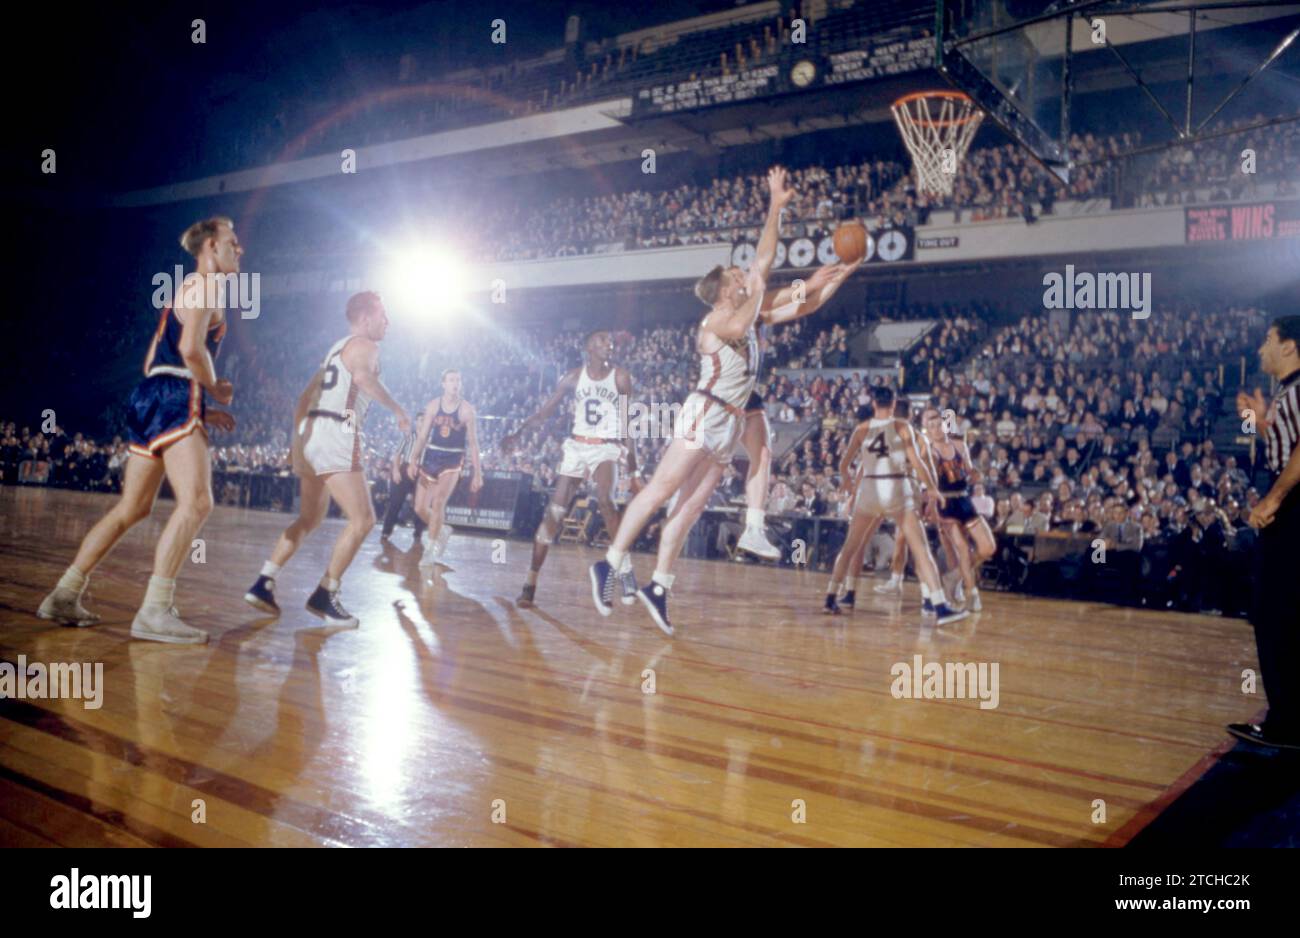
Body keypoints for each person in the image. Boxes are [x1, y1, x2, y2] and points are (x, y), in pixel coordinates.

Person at [589, 167, 796, 635]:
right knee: (661, 490)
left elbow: (765, 256)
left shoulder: (743, 302)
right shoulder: (714, 321)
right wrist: (757, 285)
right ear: (726, 289)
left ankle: (659, 586)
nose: (746, 273)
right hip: (702, 414)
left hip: (728, 424)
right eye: (738, 275)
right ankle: (609, 562)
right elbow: (741, 325)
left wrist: (775, 207)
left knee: (692, 506)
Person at [38, 216, 242, 644]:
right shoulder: (209, 287)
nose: (239, 250)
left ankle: (65, 592)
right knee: (198, 502)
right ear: (209, 247)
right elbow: (189, 350)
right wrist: (214, 389)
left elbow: (170, 354)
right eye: (231, 242)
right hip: (174, 393)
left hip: (149, 395)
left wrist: (200, 408)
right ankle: (154, 610)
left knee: (132, 508)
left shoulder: (185, 288)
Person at [243, 291, 411, 627]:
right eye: (383, 315)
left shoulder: (334, 350)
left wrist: (303, 437)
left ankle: (264, 581)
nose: (388, 322)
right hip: (335, 433)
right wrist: (398, 410)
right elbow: (363, 380)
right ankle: (326, 592)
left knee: (309, 518)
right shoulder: (366, 345)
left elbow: (305, 398)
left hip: (313, 434)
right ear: (365, 318)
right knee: (363, 520)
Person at [500, 331, 640, 607]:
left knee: (605, 499)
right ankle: (530, 582)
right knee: (554, 513)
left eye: (610, 340)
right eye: (601, 339)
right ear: (588, 346)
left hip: (606, 446)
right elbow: (544, 412)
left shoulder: (621, 377)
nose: (608, 343)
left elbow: (626, 426)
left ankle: (625, 570)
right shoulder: (573, 377)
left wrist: (633, 471)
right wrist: (518, 432)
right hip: (577, 446)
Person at [822, 386, 966, 624]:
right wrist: (932, 488)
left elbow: (844, 463)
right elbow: (918, 462)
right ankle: (939, 605)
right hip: (896, 487)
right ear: (893, 404)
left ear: (873, 404)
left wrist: (847, 481)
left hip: (869, 489)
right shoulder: (902, 426)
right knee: (921, 550)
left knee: (850, 547)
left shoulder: (861, 428)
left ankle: (830, 597)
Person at [1229, 315, 1300, 749]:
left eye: (1269, 340)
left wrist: (1273, 500)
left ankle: (1287, 724)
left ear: (1291, 346)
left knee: (1275, 613)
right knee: (1282, 611)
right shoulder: (1285, 392)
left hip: (1292, 510)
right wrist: (1259, 424)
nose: (1261, 349)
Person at [920, 407, 996, 611]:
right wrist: (931, 505)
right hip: (946, 505)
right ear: (927, 430)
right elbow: (929, 482)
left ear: (945, 425)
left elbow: (970, 471)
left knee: (988, 547)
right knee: (961, 548)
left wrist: (976, 474)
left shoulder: (960, 445)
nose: (936, 429)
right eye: (931, 426)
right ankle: (972, 594)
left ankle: (953, 577)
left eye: (939, 425)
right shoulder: (930, 453)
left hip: (964, 500)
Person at [409, 369, 483, 570]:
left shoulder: (467, 410)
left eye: (458, 380)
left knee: (439, 500)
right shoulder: (433, 405)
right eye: (451, 380)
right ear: (443, 383)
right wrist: (413, 459)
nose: (455, 383)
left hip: (453, 458)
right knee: (419, 508)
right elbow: (423, 436)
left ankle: (431, 549)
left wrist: (478, 472)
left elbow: (474, 444)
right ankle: (441, 530)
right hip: (432, 456)